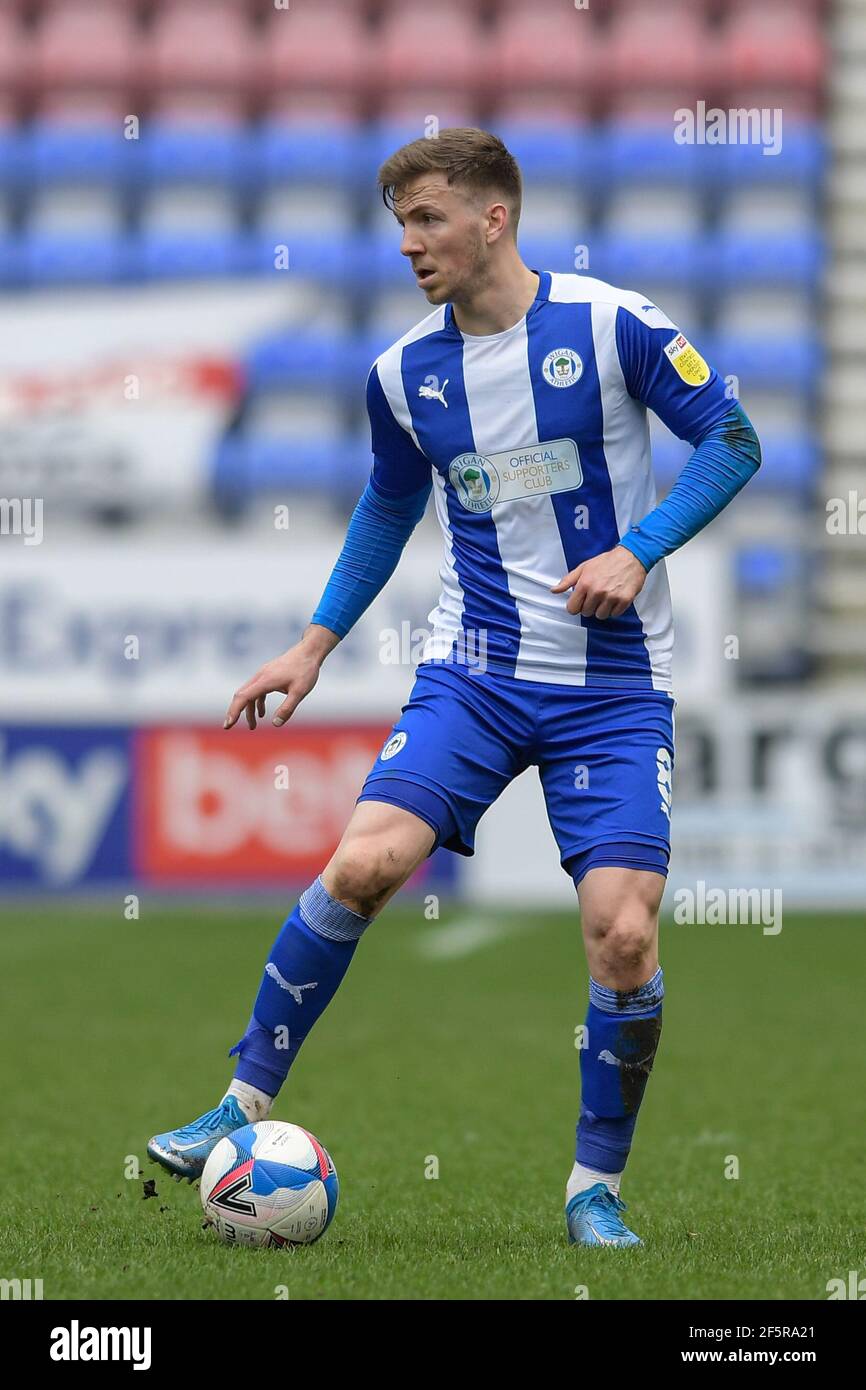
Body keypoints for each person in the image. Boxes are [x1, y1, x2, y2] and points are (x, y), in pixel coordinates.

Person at [148, 128, 760, 1247]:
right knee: (364, 861)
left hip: (611, 686)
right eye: (398, 225)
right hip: (471, 672)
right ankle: (232, 1108)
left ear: (494, 218)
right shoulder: (403, 373)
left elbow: (728, 437)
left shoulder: (609, 324)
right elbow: (388, 506)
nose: (409, 245)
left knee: (621, 935)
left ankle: (592, 1191)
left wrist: (639, 547)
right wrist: (313, 643)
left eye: (428, 220)